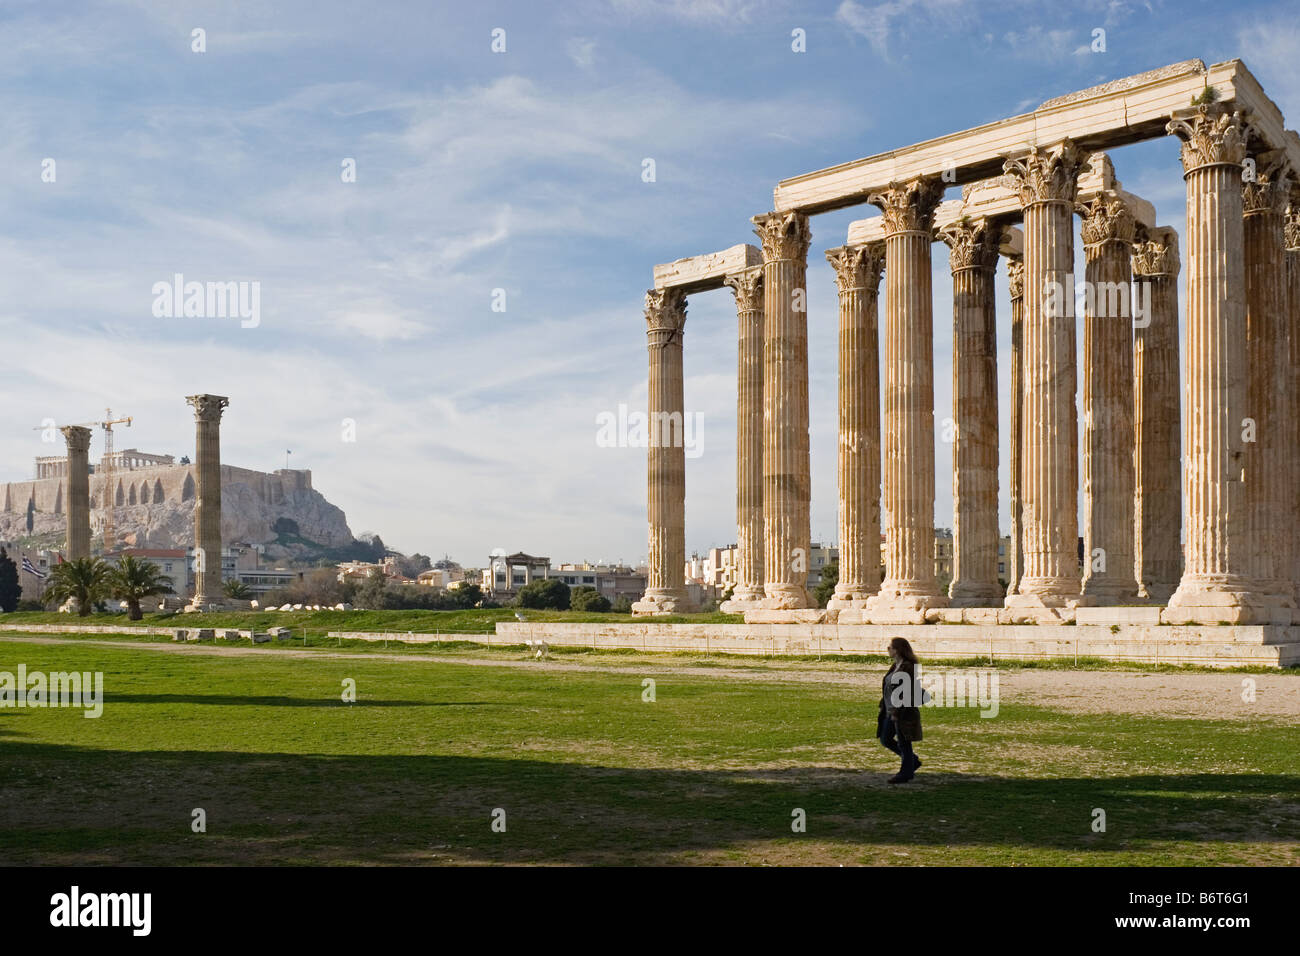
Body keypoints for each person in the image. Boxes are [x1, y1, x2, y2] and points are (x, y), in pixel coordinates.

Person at [877, 637, 922, 784]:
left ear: (898, 650)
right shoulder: (895, 666)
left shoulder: (908, 667)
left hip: (901, 711)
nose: (888, 649)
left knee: (904, 743)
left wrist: (898, 710)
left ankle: (905, 773)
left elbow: (906, 691)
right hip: (889, 709)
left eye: (890, 647)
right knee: (886, 739)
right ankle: (912, 762)